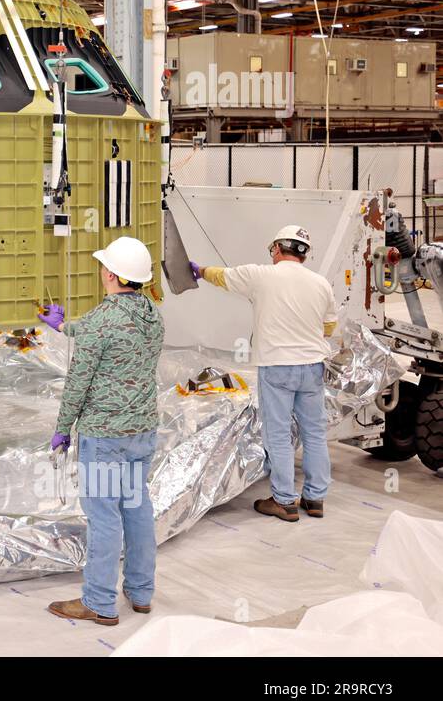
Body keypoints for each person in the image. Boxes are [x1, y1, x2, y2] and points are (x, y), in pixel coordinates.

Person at [38, 236, 164, 626]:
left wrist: (63, 429)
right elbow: (111, 340)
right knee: (137, 508)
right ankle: (141, 593)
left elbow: (79, 381)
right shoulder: (153, 314)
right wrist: (66, 328)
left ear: (110, 274)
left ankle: (99, 602)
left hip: (105, 437)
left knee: (105, 517)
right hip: (141, 432)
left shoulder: (100, 321)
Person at [191, 225, 337, 523]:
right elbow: (329, 327)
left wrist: (199, 270)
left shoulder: (260, 275)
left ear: (276, 249)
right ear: (304, 254)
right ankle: (315, 497)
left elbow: (222, 275)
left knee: (279, 434)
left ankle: (284, 501)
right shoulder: (321, 283)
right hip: (312, 367)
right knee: (315, 433)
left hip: (278, 366)